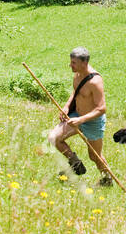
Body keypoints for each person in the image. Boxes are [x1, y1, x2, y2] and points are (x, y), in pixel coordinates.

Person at [47, 47, 111, 185]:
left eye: (73, 62)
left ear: (84, 63)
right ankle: (75, 163)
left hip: (92, 121)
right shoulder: (77, 75)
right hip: (76, 116)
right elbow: (76, 92)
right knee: (54, 138)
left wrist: (81, 120)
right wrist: (66, 107)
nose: (70, 65)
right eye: (71, 62)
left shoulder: (95, 82)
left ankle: (107, 179)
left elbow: (102, 108)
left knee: (94, 156)